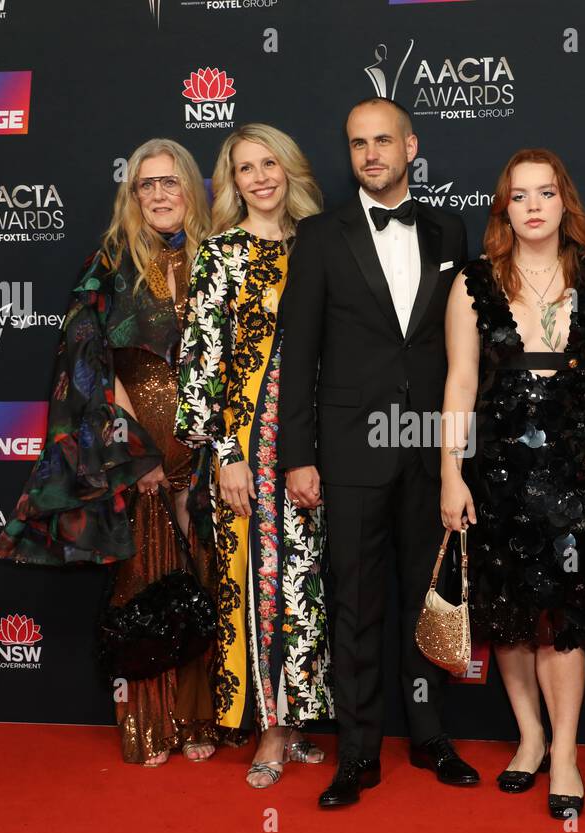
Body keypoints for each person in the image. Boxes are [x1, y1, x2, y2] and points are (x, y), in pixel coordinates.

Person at [0, 138, 218, 767]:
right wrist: (134, 452)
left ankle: (202, 719)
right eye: (146, 185)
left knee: (206, 573)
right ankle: (151, 727)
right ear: (132, 194)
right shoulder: (112, 261)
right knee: (145, 579)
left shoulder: (221, 254)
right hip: (140, 444)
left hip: (208, 443)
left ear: (193, 190)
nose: (159, 195)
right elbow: (87, 359)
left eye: (170, 182)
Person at [278, 97, 476, 808]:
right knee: (355, 607)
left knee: (425, 603)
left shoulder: (450, 228)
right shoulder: (320, 235)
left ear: (411, 146)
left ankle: (428, 736)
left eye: (383, 141)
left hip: (427, 450)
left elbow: (463, 353)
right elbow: (297, 353)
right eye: (358, 143)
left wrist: (461, 454)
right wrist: (298, 455)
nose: (371, 155)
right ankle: (357, 752)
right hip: (350, 451)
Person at [440, 149, 585, 820]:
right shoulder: (473, 282)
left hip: (572, 470)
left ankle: (565, 750)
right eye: (519, 195)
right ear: (503, 208)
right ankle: (530, 736)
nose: (533, 206)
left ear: (565, 202)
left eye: (545, 193)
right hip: (498, 469)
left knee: (562, 619)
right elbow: (456, 384)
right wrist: (449, 474)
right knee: (509, 615)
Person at [176, 124, 333, 788]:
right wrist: (227, 455)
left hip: (318, 445)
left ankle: (296, 719)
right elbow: (203, 363)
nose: (261, 177)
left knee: (304, 587)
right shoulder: (221, 254)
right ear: (232, 182)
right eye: (246, 169)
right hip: (247, 447)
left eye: (270, 162)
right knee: (257, 586)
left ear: (291, 167)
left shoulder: (324, 244)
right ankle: (267, 727)